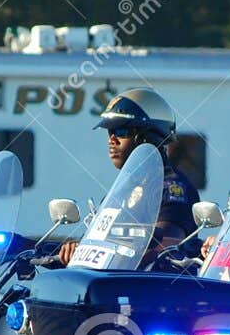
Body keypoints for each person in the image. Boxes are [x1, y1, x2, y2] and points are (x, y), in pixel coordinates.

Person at [59, 87, 197, 264]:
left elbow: (168, 242)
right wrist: (74, 249)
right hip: (115, 283)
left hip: (151, 286)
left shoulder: (172, 186)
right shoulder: (123, 189)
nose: (112, 140)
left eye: (122, 132)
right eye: (110, 132)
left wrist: (133, 242)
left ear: (148, 137)